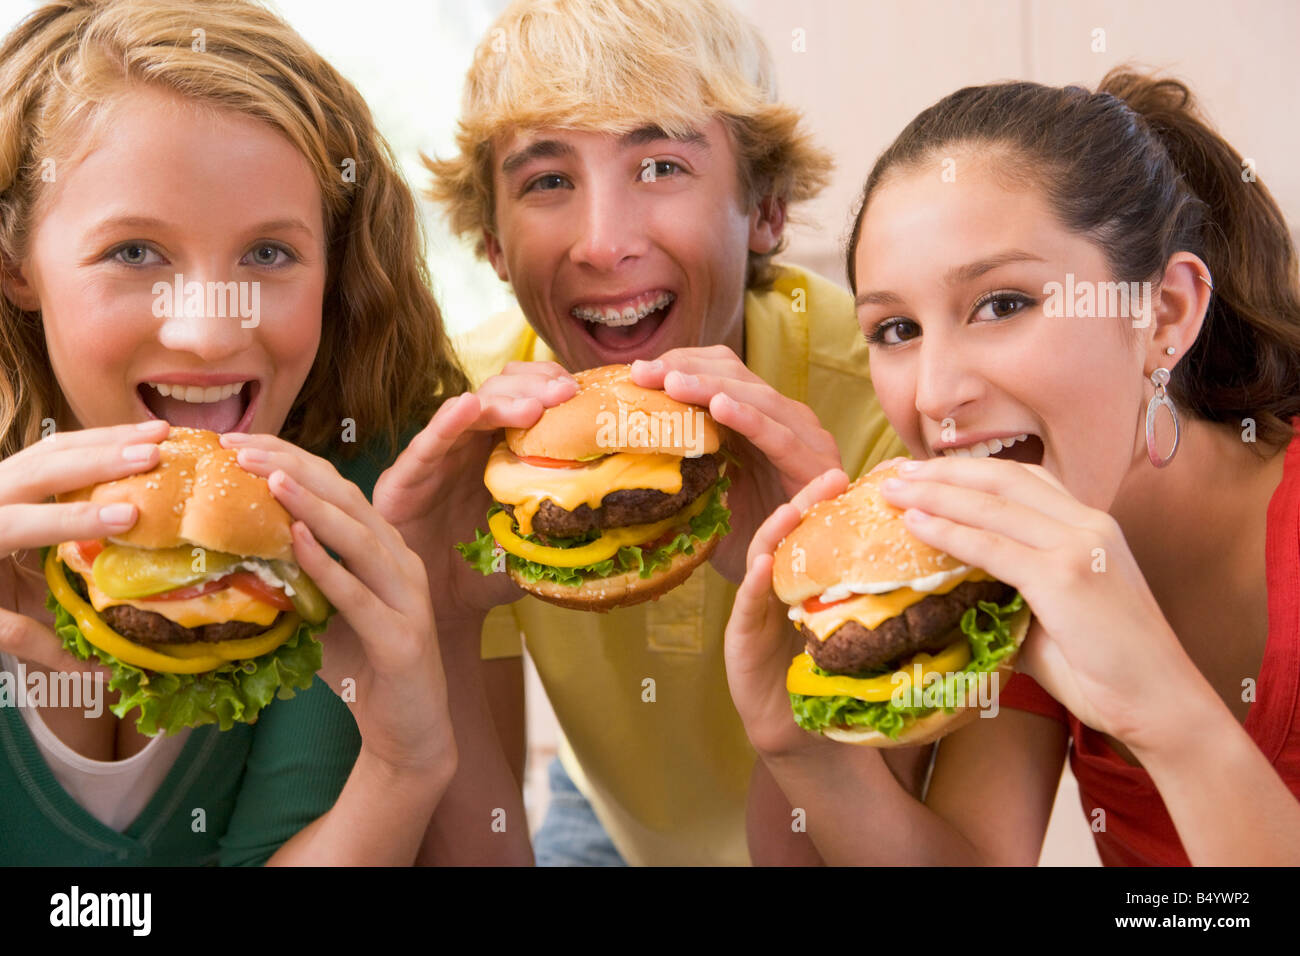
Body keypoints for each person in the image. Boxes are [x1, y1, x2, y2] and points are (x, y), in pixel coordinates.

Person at [725, 69, 1300, 864]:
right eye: (895, 329)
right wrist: (809, 754)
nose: (936, 395)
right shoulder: (1016, 578)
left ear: (1164, 313)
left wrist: (1164, 713)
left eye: (1002, 304)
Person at [415, 0, 914, 866]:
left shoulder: (888, 402)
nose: (603, 246)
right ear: (493, 243)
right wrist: (437, 618)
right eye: (547, 181)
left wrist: (816, 590)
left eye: (659, 166)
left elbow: (866, 834)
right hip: (601, 816)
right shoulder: (460, 426)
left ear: (765, 209)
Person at [0, 0, 465, 864]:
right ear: (15, 265)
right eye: (135, 252)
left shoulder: (346, 492)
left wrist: (408, 765)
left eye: (268, 255)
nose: (210, 333)